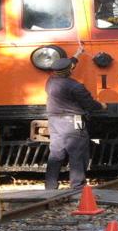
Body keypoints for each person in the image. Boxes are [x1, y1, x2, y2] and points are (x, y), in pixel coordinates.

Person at [43, 58, 105, 195]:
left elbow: (65, 68)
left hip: (54, 120)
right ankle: (78, 186)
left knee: (56, 152)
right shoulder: (75, 86)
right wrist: (102, 106)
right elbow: (89, 104)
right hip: (72, 121)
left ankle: (50, 185)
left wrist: (76, 57)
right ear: (70, 70)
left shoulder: (50, 81)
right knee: (77, 152)